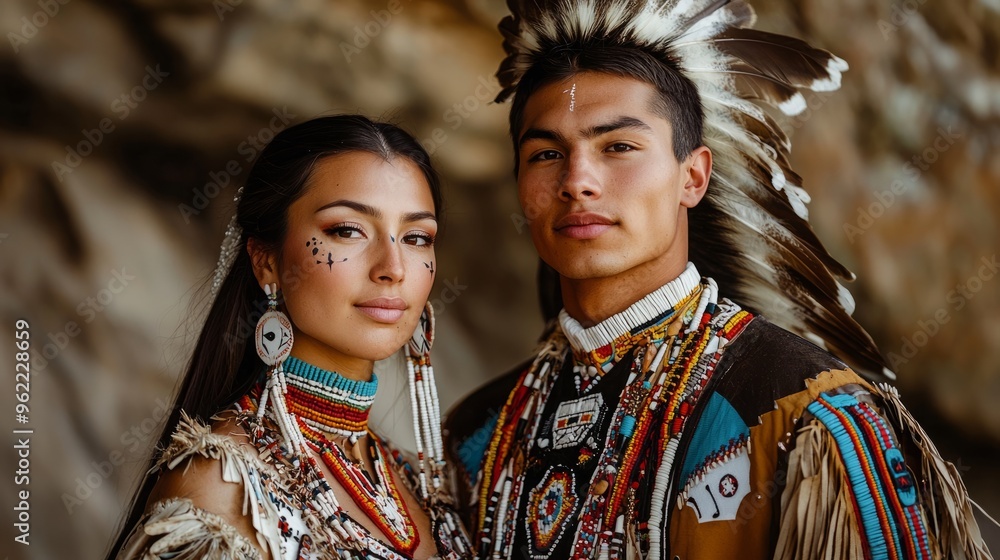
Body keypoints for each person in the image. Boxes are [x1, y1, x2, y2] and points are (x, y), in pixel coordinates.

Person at [444, 2, 993, 559]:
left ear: (693, 176)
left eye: (618, 147)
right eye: (546, 153)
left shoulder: (810, 418)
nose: (577, 180)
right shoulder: (473, 438)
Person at [106, 115, 472, 559]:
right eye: (347, 230)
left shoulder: (418, 480)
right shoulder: (222, 487)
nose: (393, 268)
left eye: (416, 237)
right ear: (267, 261)